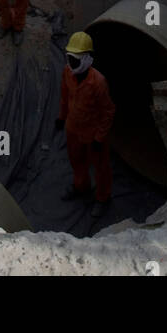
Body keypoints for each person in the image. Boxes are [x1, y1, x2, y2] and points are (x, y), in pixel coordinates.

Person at [56, 31, 116, 218]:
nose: (71, 63)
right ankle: (81, 187)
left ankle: (102, 198)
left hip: (92, 134)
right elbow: (65, 97)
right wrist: (62, 117)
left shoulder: (98, 82)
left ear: (86, 58)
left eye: (75, 59)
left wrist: (99, 137)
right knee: (77, 162)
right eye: (69, 58)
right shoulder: (68, 73)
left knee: (100, 167)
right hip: (73, 129)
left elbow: (108, 111)